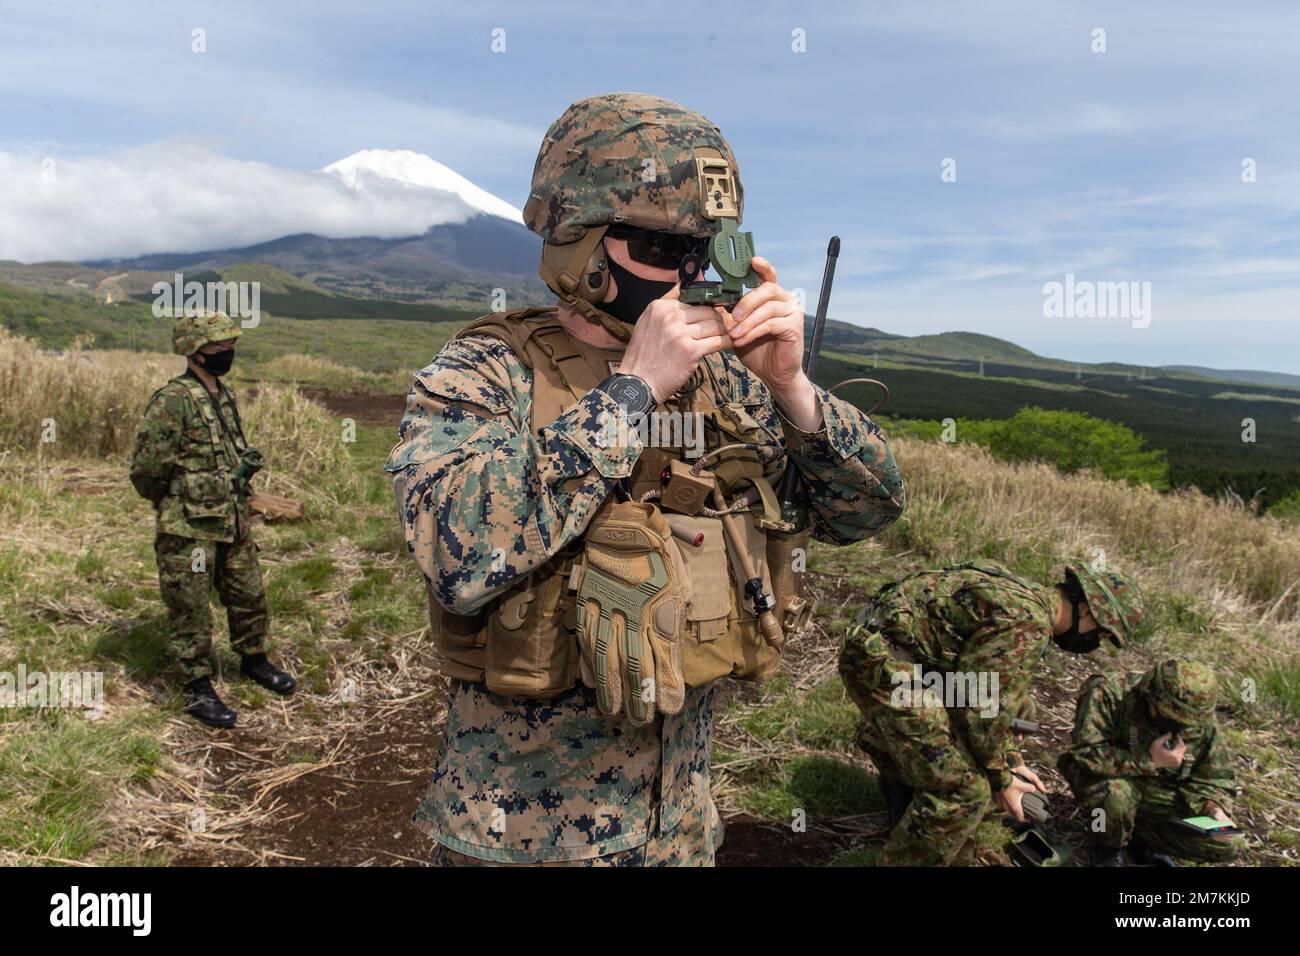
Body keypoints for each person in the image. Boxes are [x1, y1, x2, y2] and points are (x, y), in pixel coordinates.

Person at [385, 92, 905, 866]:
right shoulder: (489, 371)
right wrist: (631, 392)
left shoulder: (722, 383)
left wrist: (792, 392)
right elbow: (459, 554)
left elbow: (867, 513)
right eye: (664, 251)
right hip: (525, 838)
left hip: (681, 825)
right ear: (579, 242)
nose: (689, 276)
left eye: (709, 253)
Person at [838, 559, 1145, 865]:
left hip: (891, 652)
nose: (1096, 643)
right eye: (1101, 634)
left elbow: (988, 693)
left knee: (1021, 710)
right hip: (884, 666)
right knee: (966, 790)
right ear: (1088, 611)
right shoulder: (1027, 622)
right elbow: (980, 711)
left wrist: (1010, 759)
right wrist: (1002, 779)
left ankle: (906, 774)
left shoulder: (1024, 596)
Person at [129, 310, 295, 727]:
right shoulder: (172, 400)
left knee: (248, 594)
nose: (227, 352)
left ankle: (253, 659)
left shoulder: (222, 393)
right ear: (193, 350)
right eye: (218, 346)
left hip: (232, 519)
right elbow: (148, 469)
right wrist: (174, 501)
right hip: (189, 527)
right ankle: (195, 684)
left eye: (230, 345)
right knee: (190, 607)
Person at [1058, 658, 1244, 865]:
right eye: (1171, 717)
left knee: (1229, 842)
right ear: (1150, 695)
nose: (1178, 727)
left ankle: (1141, 838)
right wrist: (1149, 760)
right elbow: (1085, 753)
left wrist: (1214, 809)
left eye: (1185, 723)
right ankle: (1106, 845)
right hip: (1106, 783)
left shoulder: (1198, 720)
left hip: (1158, 797)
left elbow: (1216, 778)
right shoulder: (1110, 694)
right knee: (1115, 799)